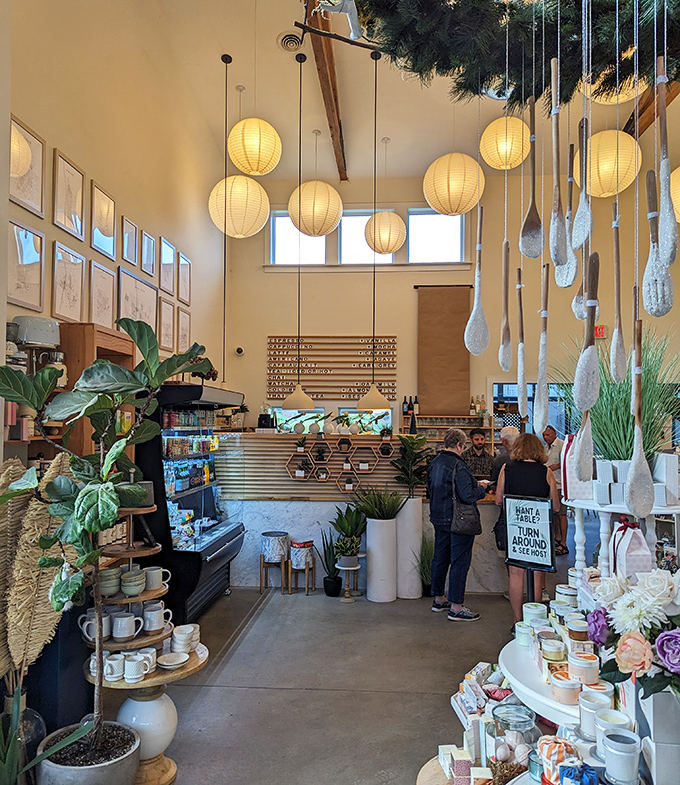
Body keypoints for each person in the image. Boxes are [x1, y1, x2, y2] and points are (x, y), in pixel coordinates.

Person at [495, 433, 560, 624]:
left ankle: (517, 621)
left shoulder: (507, 469)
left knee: (516, 574)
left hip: (515, 528)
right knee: (537, 573)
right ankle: (535, 621)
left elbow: (499, 500)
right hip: (539, 530)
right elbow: (556, 507)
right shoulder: (546, 472)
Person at [428, 428, 490, 621]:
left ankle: (439, 599)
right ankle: (456, 607)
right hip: (458, 520)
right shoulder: (458, 466)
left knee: (440, 558)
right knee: (459, 562)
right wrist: (482, 488)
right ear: (459, 445)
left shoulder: (434, 463)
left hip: (439, 518)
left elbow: (430, 490)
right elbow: (468, 495)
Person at [543, 425, 568, 556]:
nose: (545, 437)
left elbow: (568, 461)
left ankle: (564, 542)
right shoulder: (545, 447)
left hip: (559, 485)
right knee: (554, 514)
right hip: (549, 484)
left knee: (562, 514)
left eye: (548, 435)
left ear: (554, 434)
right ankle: (557, 538)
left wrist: (556, 466)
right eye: (544, 435)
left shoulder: (561, 445)